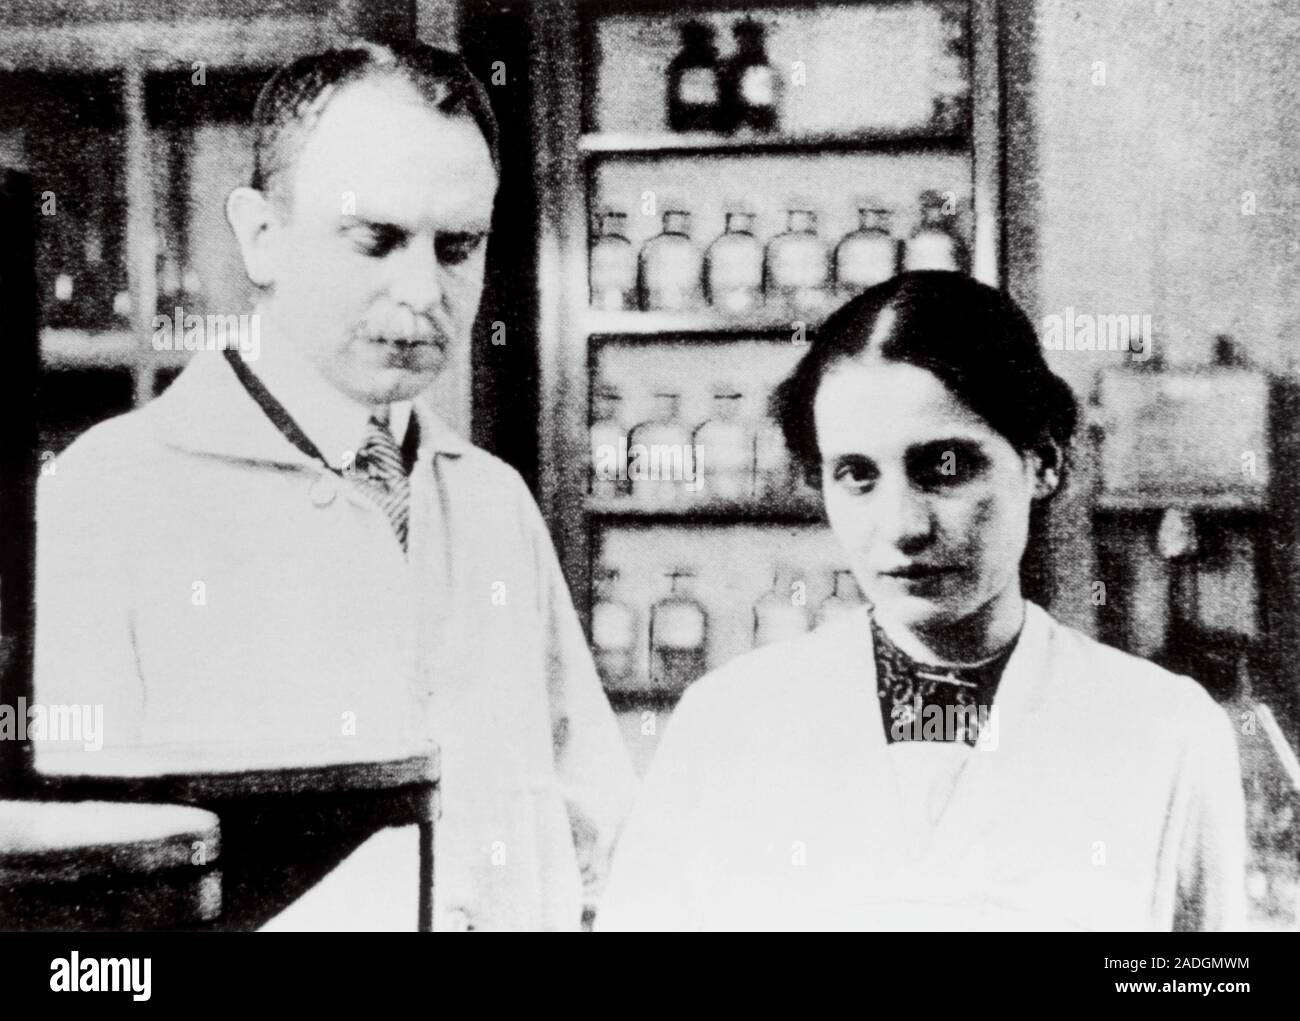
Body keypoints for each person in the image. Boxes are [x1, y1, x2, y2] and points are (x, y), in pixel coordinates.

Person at [34, 42, 636, 931]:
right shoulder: (106, 497)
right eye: (378, 239)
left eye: (458, 247)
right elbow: (79, 889)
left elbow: (603, 837)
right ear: (261, 236)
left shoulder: (493, 502)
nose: (423, 290)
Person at [597, 271, 1247, 932]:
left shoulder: (1166, 734)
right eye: (857, 475)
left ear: (1042, 461)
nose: (904, 525)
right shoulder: (729, 726)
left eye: (944, 467)